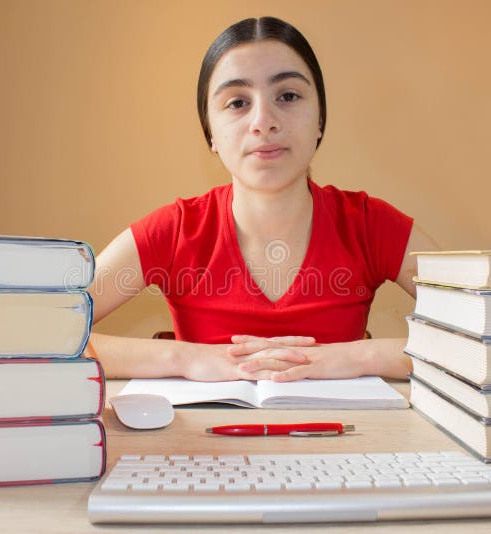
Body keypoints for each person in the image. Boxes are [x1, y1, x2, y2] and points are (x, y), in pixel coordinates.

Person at [88, 16, 437, 383]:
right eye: (237, 102)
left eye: (287, 96)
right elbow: (49, 332)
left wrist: (359, 355)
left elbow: (476, 338)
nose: (264, 121)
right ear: (210, 133)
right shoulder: (174, 231)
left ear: (320, 119)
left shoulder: (370, 225)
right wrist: (184, 357)